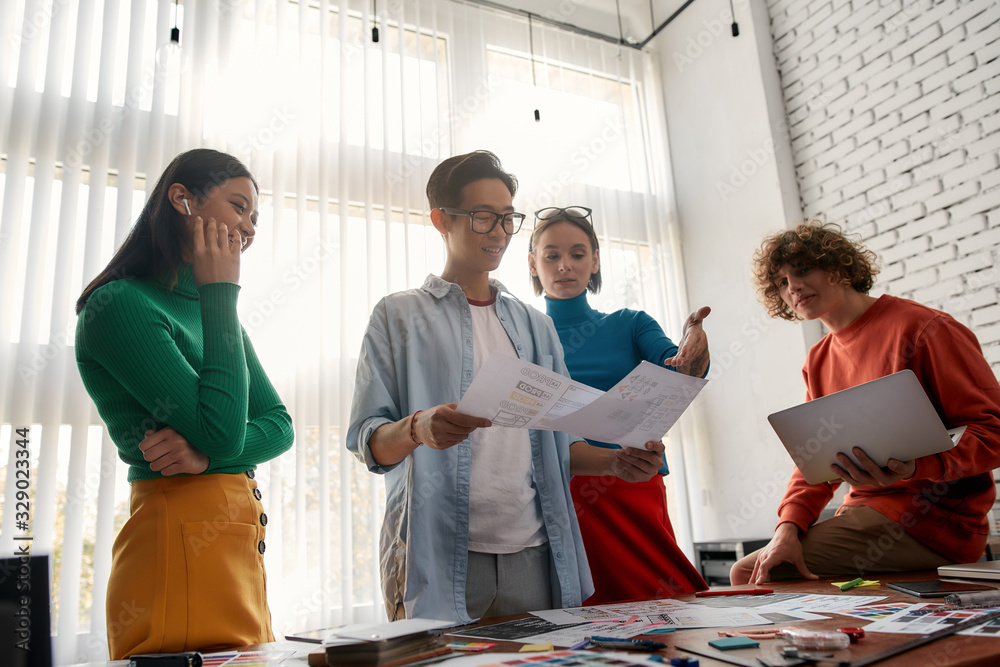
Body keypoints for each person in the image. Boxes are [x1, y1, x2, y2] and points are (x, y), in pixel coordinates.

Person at [347, 151, 666, 623]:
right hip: (438, 553)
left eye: (506, 218)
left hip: (536, 555)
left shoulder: (536, 327)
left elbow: (559, 443)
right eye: (482, 217)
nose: (498, 231)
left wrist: (617, 462)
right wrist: (417, 428)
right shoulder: (398, 316)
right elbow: (366, 441)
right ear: (442, 220)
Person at [75, 149, 294, 658]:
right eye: (238, 207)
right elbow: (225, 431)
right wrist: (221, 290)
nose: (250, 227)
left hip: (235, 545)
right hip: (177, 545)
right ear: (182, 200)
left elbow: (279, 425)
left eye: (255, 217)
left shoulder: (211, 309)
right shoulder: (123, 305)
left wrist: (207, 457)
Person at [730, 221, 1000, 585]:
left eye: (803, 269)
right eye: (780, 282)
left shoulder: (923, 328)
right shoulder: (819, 359)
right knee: (764, 562)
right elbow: (814, 459)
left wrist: (918, 465)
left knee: (756, 573)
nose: (792, 286)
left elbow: (992, 432)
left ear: (838, 265)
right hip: (866, 511)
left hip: (936, 520)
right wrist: (788, 525)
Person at [527, 206, 710, 603]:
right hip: (563, 491)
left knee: (668, 603)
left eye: (577, 254)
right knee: (585, 619)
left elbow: (680, 370)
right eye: (551, 255)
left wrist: (695, 345)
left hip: (634, 480)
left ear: (595, 261)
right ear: (533, 264)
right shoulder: (524, 336)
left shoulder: (630, 322)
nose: (565, 266)